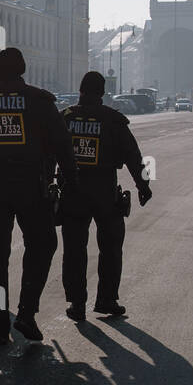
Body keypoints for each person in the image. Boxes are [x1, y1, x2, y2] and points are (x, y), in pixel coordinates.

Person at [0, 48, 76, 346]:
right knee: (42, 246)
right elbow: (63, 146)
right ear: (22, 69)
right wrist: (70, 183)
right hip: (32, 188)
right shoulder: (40, 101)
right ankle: (26, 311)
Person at [59, 70, 153, 321]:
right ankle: (107, 300)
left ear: (80, 90)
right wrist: (143, 187)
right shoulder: (112, 119)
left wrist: (45, 185)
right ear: (103, 93)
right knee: (110, 248)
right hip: (104, 192)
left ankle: (77, 304)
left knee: (74, 249)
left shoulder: (66, 118)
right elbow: (134, 157)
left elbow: (47, 153)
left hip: (72, 191)